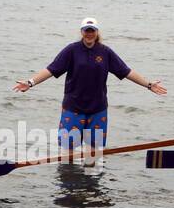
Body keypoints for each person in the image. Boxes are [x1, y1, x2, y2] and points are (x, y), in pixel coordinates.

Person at [13, 17, 166, 157]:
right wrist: (30, 82)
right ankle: (69, 185)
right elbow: (51, 70)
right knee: (68, 156)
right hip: (73, 110)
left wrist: (149, 84)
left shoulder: (105, 52)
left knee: (93, 158)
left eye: (92, 31)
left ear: (97, 32)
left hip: (97, 111)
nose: (89, 34)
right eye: (86, 31)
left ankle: (90, 185)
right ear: (82, 32)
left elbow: (126, 72)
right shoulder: (71, 50)